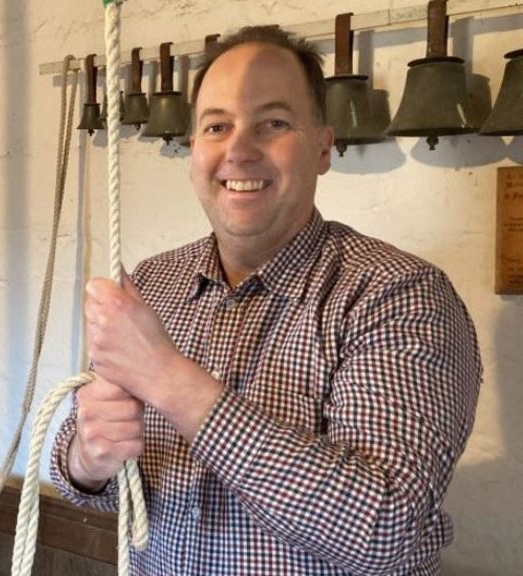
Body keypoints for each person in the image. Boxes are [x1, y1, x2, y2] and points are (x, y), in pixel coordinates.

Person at [50, 25, 481, 575]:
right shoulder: (153, 284)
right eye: (216, 126)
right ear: (194, 151)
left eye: (273, 123)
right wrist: (88, 460)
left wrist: (168, 378)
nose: (239, 150)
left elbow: (383, 528)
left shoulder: (399, 293)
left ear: (322, 147)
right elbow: (88, 478)